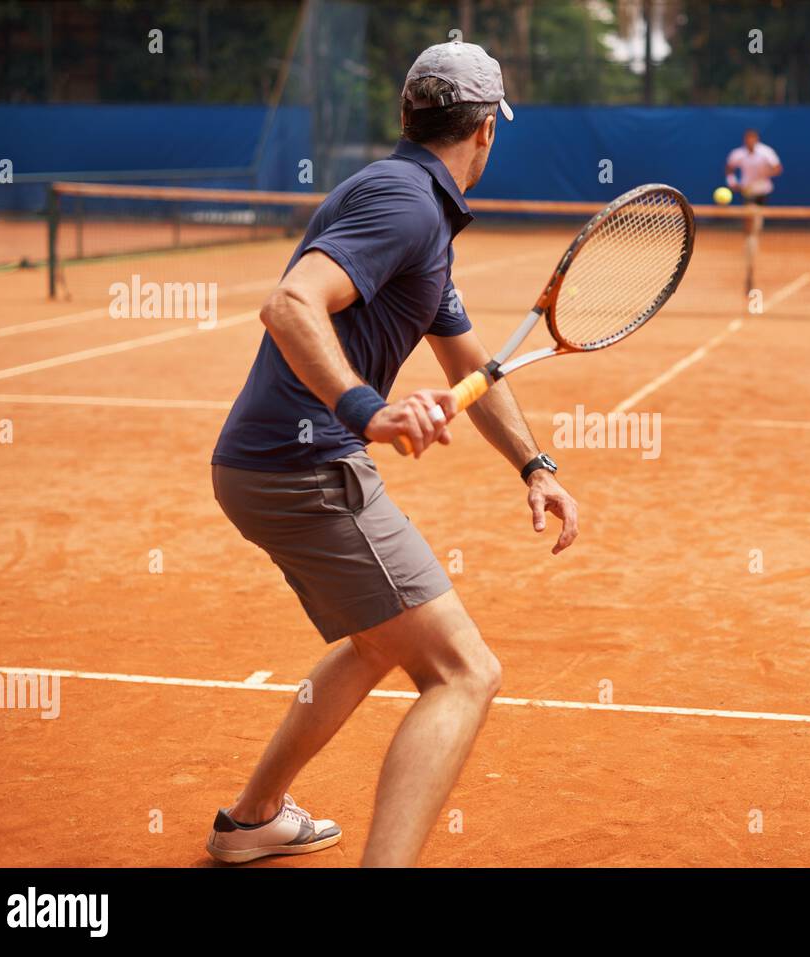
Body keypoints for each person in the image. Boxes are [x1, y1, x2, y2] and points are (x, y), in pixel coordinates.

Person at [204, 41, 578, 867]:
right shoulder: (406, 204)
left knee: (378, 640)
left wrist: (535, 465)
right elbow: (289, 303)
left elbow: (472, 366)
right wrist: (367, 410)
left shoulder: (415, 212)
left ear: (410, 116)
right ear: (485, 130)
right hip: (307, 468)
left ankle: (252, 819)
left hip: (268, 463)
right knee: (464, 672)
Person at [725, 129, 783, 293]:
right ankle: (750, 255)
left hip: (762, 192)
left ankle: (752, 244)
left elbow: (778, 168)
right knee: (750, 228)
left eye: (753, 139)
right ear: (745, 140)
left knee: (756, 227)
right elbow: (729, 168)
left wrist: (767, 172)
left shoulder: (766, 152)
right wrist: (732, 182)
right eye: (748, 139)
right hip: (748, 193)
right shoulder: (738, 154)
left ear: (756, 140)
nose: (750, 142)